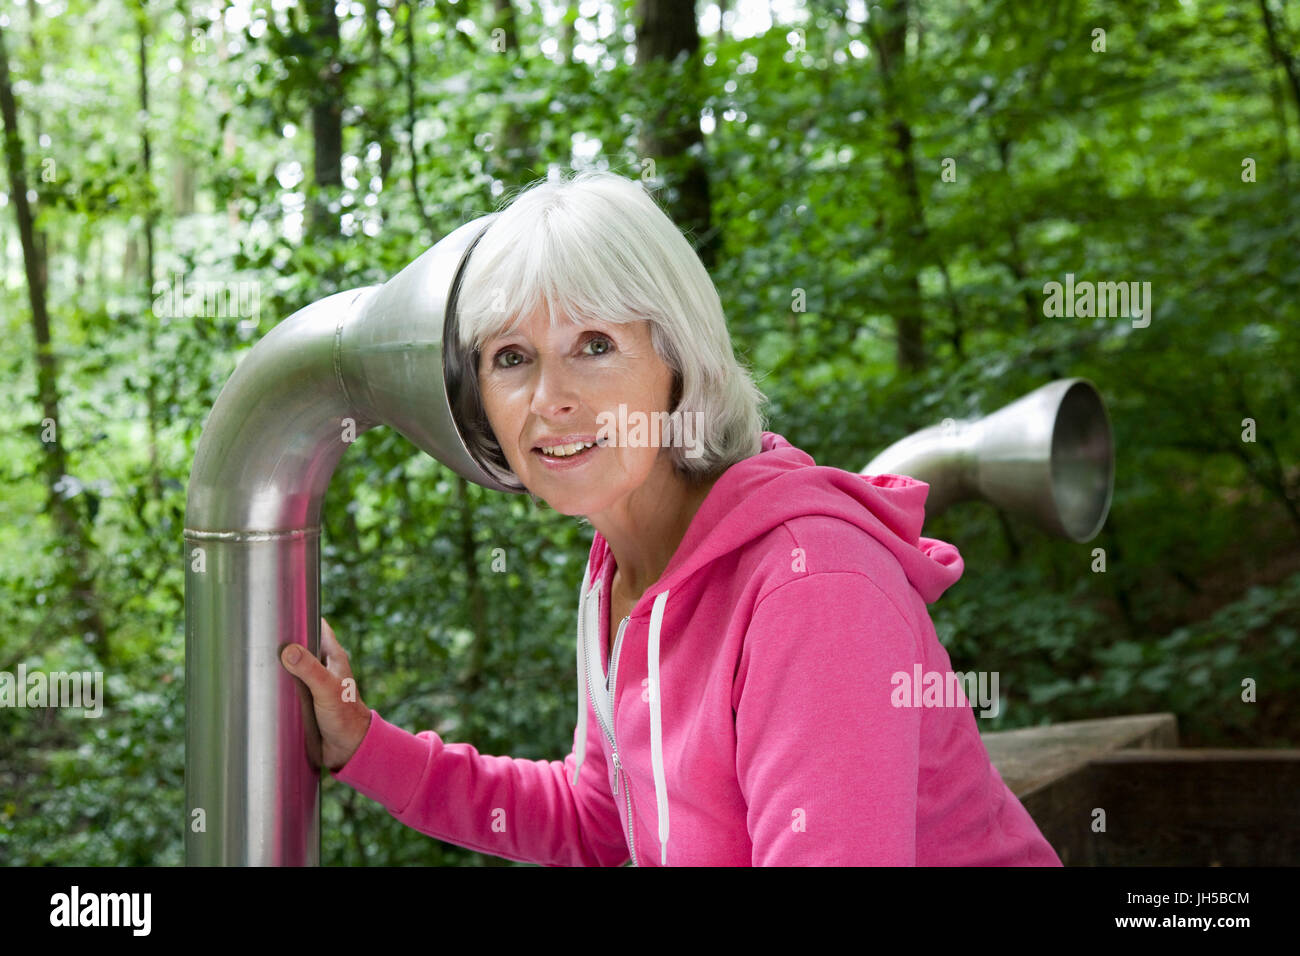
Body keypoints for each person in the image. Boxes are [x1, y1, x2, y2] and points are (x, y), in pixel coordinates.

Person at [279, 169, 1062, 866]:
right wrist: (366, 743)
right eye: (511, 357)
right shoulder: (620, 570)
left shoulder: (812, 589)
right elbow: (599, 823)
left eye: (594, 344)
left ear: (678, 365)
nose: (551, 397)